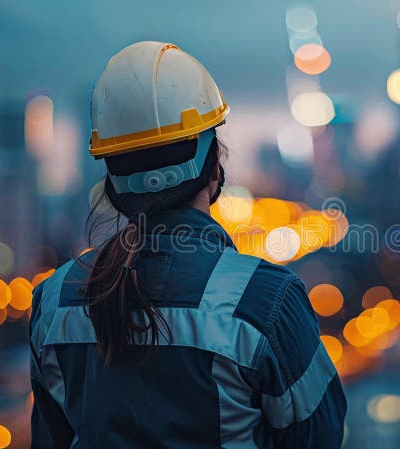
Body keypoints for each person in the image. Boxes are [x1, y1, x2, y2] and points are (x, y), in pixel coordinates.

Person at [29, 41, 346, 449]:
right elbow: (320, 438)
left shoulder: (52, 302)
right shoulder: (265, 302)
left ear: (111, 182)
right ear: (215, 167)